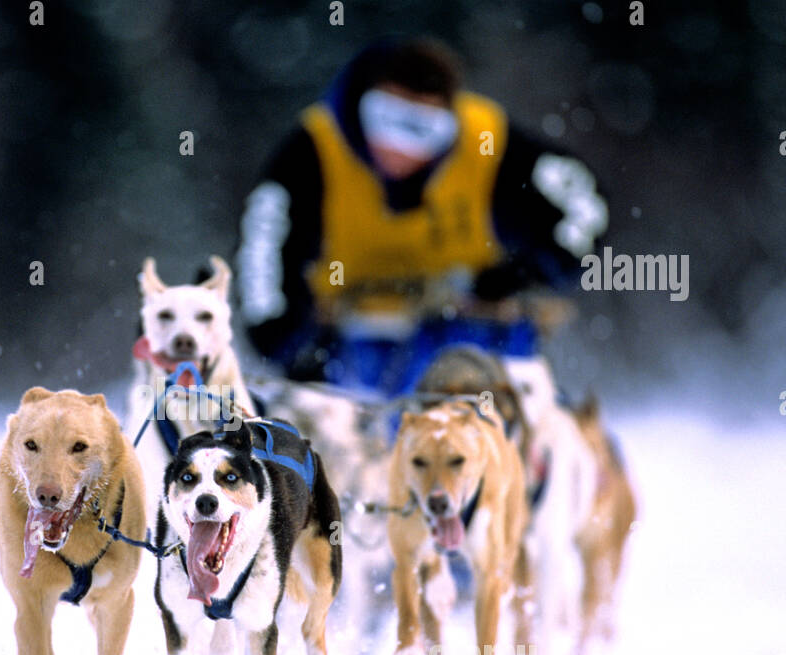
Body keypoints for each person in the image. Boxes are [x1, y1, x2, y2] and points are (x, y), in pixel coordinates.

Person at [236, 38, 608, 395]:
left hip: (467, 321)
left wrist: (525, 273)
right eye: (388, 120)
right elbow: (262, 253)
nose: (399, 147)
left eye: (421, 129)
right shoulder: (314, 150)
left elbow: (583, 209)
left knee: (502, 397)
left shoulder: (487, 140)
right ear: (361, 108)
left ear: (450, 123)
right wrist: (283, 342)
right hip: (348, 335)